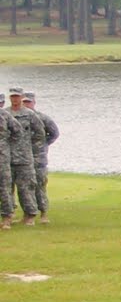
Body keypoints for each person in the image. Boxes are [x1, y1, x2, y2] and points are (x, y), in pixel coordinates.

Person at [5, 87, 42, 225]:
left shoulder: (30, 114)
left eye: (17, 96)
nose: (15, 99)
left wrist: (33, 150)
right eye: (12, 96)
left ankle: (30, 215)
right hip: (7, 157)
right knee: (7, 188)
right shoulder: (5, 113)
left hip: (25, 158)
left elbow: (40, 134)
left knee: (26, 187)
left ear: (21, 97)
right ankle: (8, 215)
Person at [21, 91, 58, 223]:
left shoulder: (43, 118)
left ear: (34, 102)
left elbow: (54, 133)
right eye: (24, 102)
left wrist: (43, 144)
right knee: (25, 186)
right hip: (22, 158)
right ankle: (28, 214)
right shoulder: (17, 118)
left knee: (39, 184)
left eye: (29, 102)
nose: (26, 104)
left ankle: (43, 213)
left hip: (38, 158)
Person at [0, 102, 21, 230]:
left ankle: (7, 218)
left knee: (4, 188)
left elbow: (17, 132)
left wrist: (6, 145)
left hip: (2, 158)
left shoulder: (4, 114)